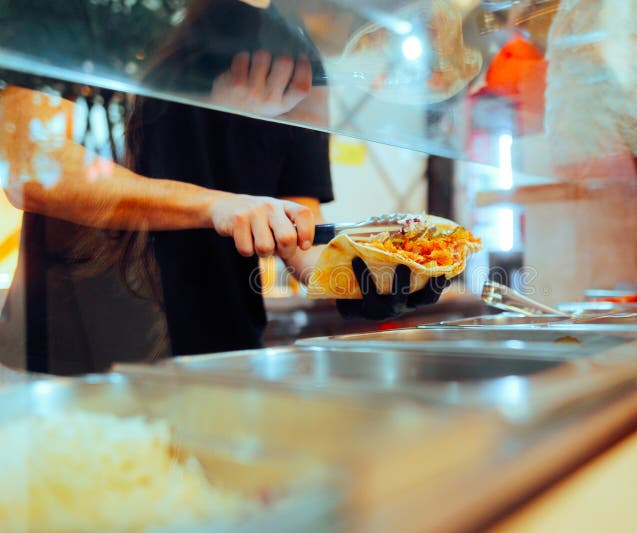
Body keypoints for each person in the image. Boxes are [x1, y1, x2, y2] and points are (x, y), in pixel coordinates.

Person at [0, 0, 447, 373]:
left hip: (220, 359)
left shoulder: (295, 50)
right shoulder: (96, 9)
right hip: (76, 353)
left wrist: (364, 278)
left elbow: (301, 234)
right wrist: (218, 204)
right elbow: (32, 173)